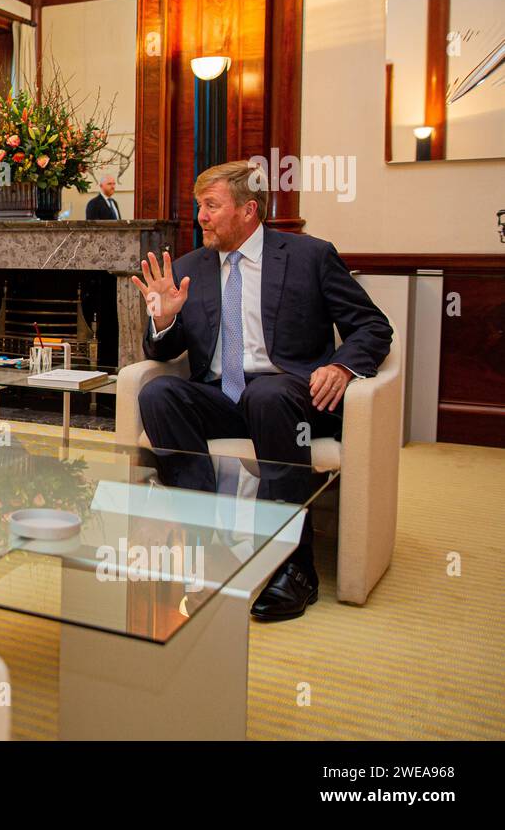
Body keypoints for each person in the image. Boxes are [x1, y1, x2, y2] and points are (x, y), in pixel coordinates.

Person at [130, 160, 392, 621]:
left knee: (266, 394)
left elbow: (371, 326)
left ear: (249, 210)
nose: (200, 218)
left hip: (291, 397)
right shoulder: (191, 268)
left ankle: (294, 565)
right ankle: (202, 541)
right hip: (222, 397)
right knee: (158, 394)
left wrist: (342, 366)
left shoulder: (310, 256)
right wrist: (164, 318)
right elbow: (162, 350)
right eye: (198, 207)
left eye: (211, 206)